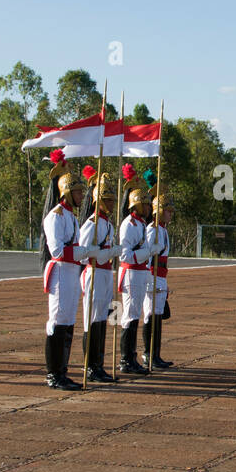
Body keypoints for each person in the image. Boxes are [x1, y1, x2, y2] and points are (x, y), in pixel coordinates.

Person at [42, 149, 88, 389]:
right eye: (78, 191)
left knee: (69, 321)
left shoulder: (71, 216)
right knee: (58, 321)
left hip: (72, 273)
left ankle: (63, 370)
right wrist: (85, 252)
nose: (82, 195)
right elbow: (58, 251)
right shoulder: (56, 216)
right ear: (67, 193)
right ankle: (53, 374)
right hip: (61, 272)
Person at [78, 165, 123, 383]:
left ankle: (99, 363)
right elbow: (85, 253)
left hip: (106, 273)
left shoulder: (107, 223)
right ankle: (90, 366)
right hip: (94, 272)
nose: (112, 203)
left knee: (105, 318)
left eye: (113, 199)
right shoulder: (92, 223)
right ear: (98, 201)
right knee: (93, 319)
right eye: (108, 199)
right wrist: (109, 252)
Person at [116, 164, 153, 375]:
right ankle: (125, 359)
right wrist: (146, 253)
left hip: (139, 272)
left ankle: (131, 357)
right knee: (129, 316)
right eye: (146, 205)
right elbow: (125, 254)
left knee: (135, 315)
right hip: (130, 272)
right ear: (137, 206)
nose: (149, 209)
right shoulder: (129, 224)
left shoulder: (140, 224)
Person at [142, 187, 174, 370]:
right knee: (150, 315)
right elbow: (147, 255)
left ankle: (156, 354)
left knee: (158, 315)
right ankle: (148, 354)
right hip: (152, 275)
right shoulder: (152, 229)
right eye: (168, 211)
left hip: (161, 276)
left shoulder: (163, 230)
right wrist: (149, 278)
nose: (170, 214)